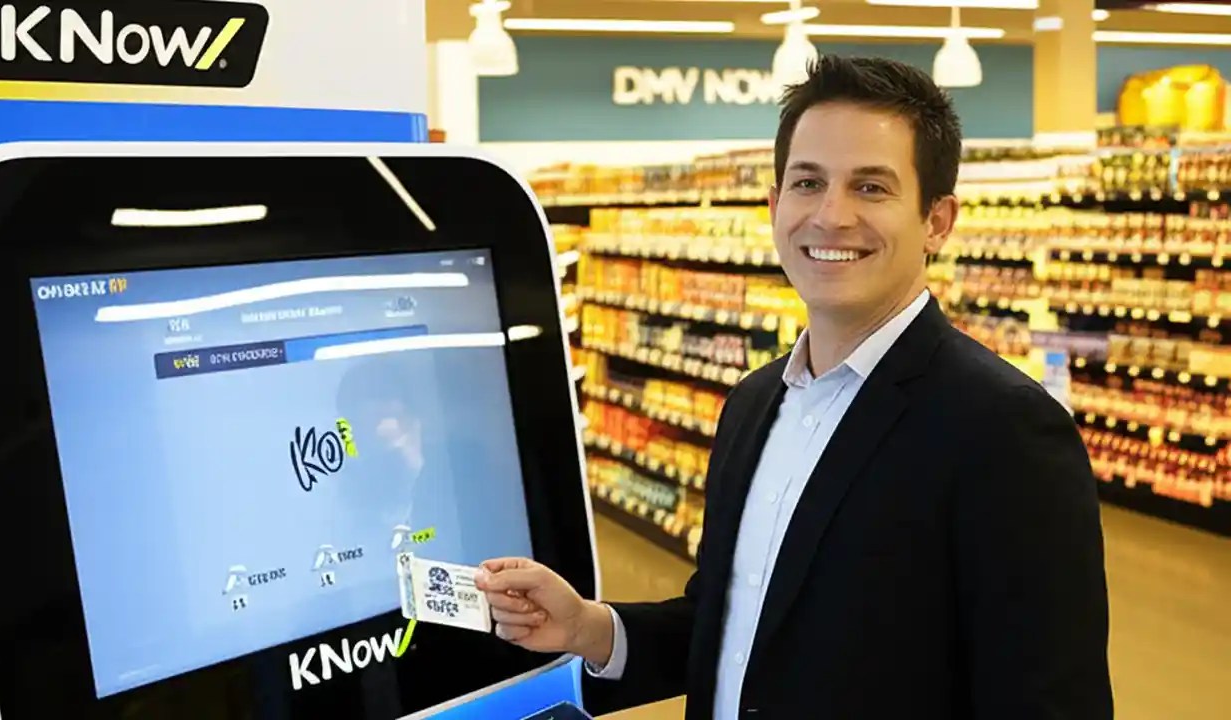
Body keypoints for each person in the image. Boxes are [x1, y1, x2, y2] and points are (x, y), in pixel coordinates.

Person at [474, 55, 1113, 719]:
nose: (831, 216)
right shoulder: (753, 405)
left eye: (871, 188)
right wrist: (589, 628)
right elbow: (732, 627)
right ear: (775, 205)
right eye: (809, 183)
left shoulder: (1005, 431)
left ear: (937, 221)